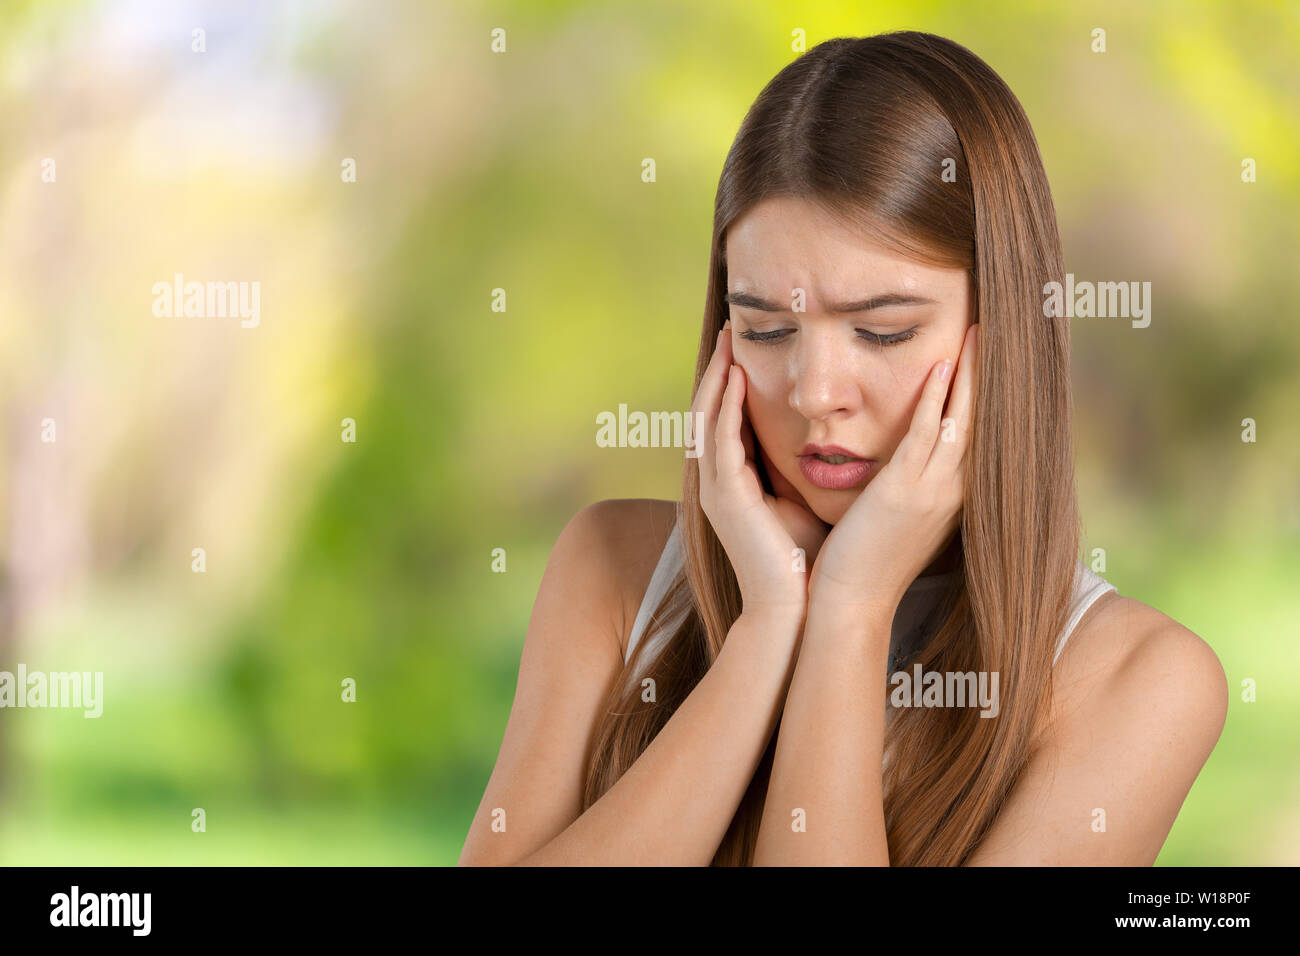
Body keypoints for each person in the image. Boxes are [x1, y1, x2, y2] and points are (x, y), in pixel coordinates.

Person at [459, 30, 1227, 866]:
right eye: (766, 328)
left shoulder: (1140, 682)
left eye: (882, 331)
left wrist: (852, 612)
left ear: (1006, 334)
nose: (815, 392)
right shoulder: (612, 566)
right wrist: (764, 633)